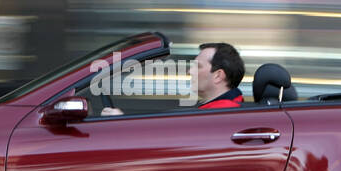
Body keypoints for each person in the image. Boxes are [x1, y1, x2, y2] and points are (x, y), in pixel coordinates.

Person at [99, 41, 244, 115]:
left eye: (197, 66)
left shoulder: (220, 114)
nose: (189, 71)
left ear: (218, 75)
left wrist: (122, 124)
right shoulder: (219, 110)